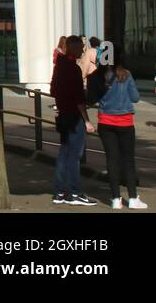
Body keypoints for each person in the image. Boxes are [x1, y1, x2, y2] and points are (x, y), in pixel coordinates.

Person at [87, 58, 146, 209]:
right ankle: (133, 198)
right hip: (125, 122)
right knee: (128, 161)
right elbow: (135, 98)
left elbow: (91, 99)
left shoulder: (97, 76)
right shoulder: (126, 74)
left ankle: (115, 199)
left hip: (105, 122)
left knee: (112, 160)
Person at [49, 35, 97, 206]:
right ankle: (75, 192)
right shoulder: (73, 69)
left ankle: (60, 191)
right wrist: (87, 120)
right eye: (81, 48)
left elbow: (53, 89)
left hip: (63, 114)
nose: (83, 51)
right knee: (74, 156)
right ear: (74, 48)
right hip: (74, 116)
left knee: (64, 153)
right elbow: (78, 99)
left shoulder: (59, 66)